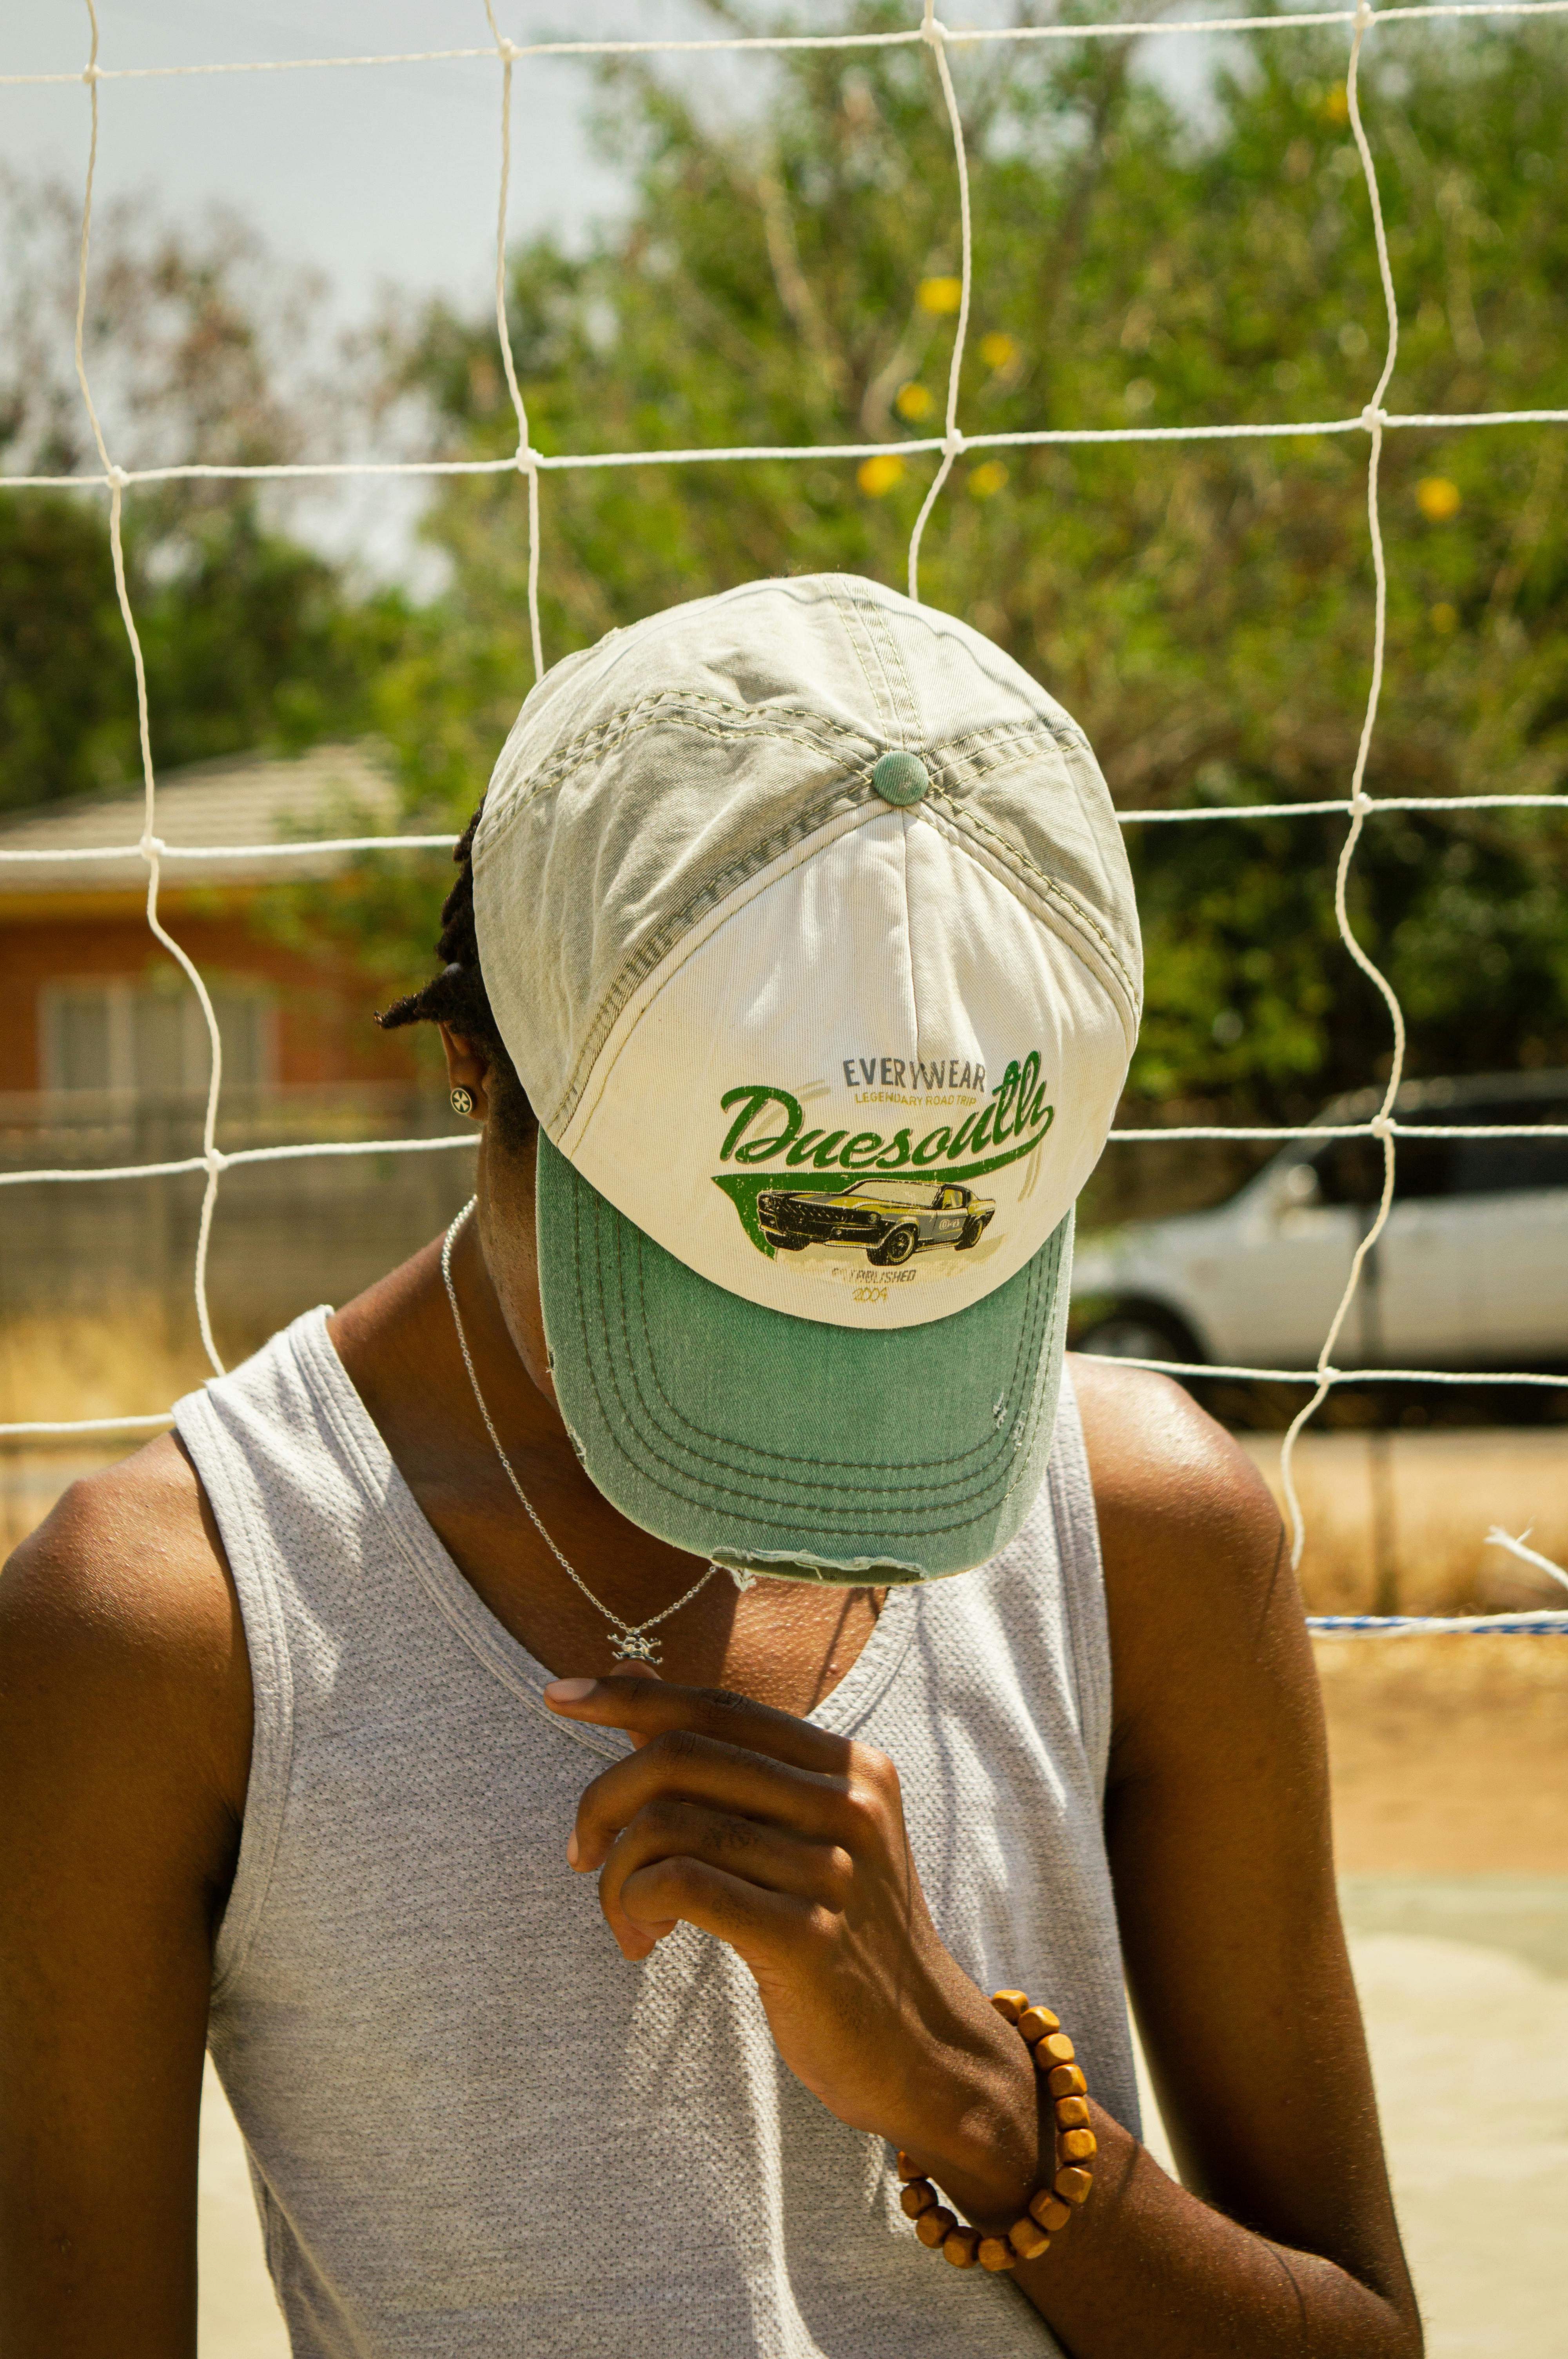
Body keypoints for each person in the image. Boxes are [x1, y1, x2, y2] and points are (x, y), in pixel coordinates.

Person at [0, 576, 1421, 2359]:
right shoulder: (169, 1625)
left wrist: (980, 2105)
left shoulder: (1144, 1530)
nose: (825, 1386)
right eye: (729, 1285)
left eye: (918, 1273)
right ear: (476, 1061)